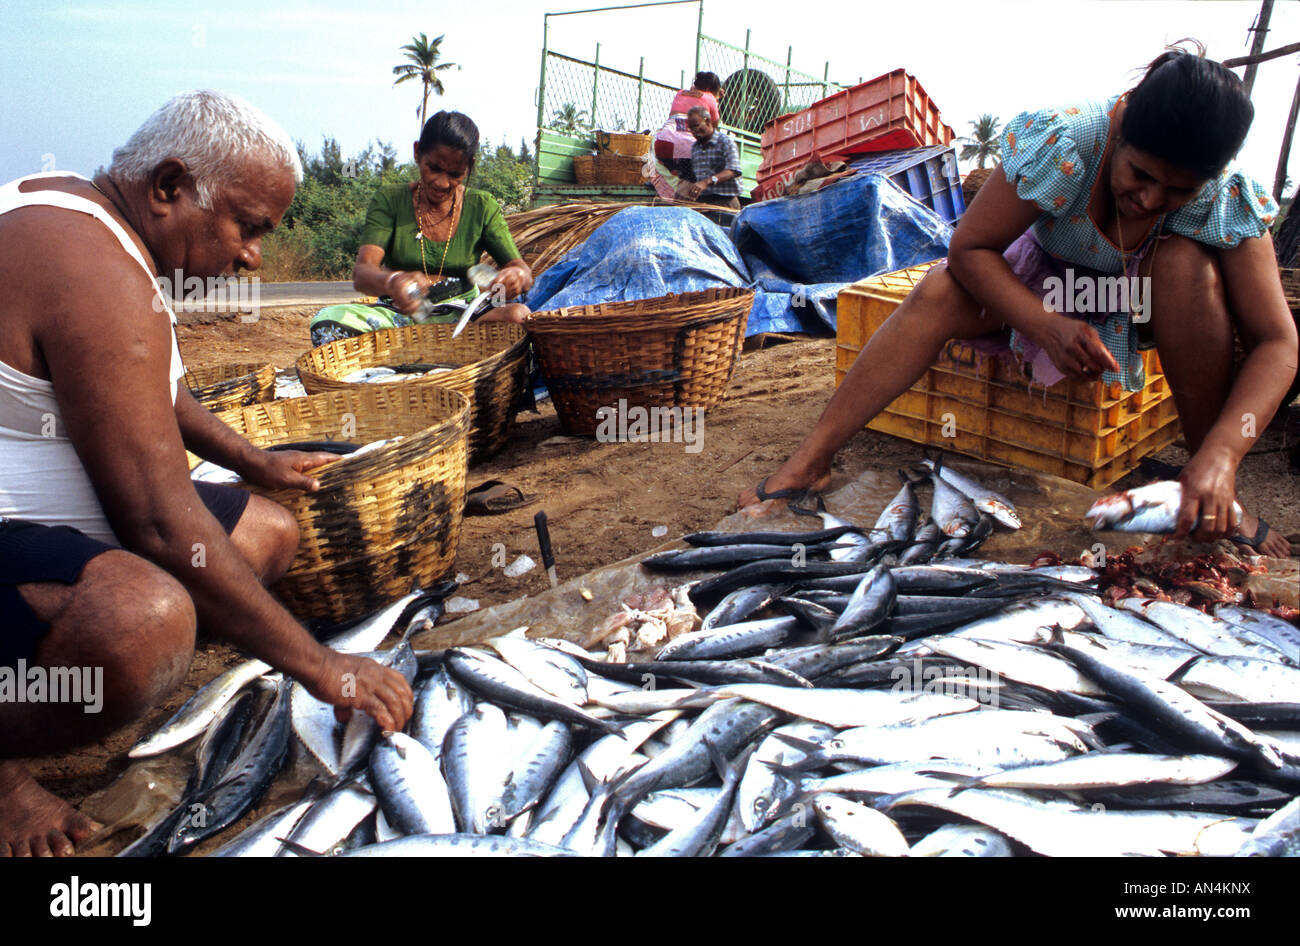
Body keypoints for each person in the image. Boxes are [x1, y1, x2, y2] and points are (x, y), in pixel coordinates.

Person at [0, 90, 414, 857]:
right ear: (167, 187)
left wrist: (257, 462)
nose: (255, 255)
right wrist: (323, 667)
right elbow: (157, 524)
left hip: (48, 520)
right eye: (248, 226)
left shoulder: (99, 225)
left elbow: (161, 388)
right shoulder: (93, 269)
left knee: (267, 532)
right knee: (145, 621)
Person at [739, 47, 1296, 558]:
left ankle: (1210, 489)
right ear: (1121, 124)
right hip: (1043, 285)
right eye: (1139, 175)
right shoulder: (1069, 141)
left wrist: (1224, 454)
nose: (1149, 200)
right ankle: (809, 462)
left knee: (1188, 268)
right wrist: (1047, 326)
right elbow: (969, 249)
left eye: (1177, 192)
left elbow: (1278, 342)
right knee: (938, 290)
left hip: (1141, 299)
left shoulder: (1224, 195)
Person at [310, 111, 532, 347]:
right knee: (327, 323)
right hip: (399, 318)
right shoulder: (390, 200)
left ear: (469, 167)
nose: (442, 182)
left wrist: (517, 277)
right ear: (417, 153)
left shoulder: (482, 206)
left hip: (465, 319)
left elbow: (522, 271)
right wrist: (394, 281)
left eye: (455, 174)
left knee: (518, 317)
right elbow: (362, 274)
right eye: (434, 168)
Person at [654, 71, 723, 180]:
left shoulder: (680, 93)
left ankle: (671, 176)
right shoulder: (710, 98)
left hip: (662, 145)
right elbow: (714, 125)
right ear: (712, 90)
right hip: (689, 151)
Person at [685, 106, 744, 210]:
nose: (694, 131)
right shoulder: (695, 148)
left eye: (696, 126)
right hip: (703, 203)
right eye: (691, 129)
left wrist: (706, 182)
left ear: (707, 121)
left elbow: (733, 170)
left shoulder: (725, 142)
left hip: (725, 202)